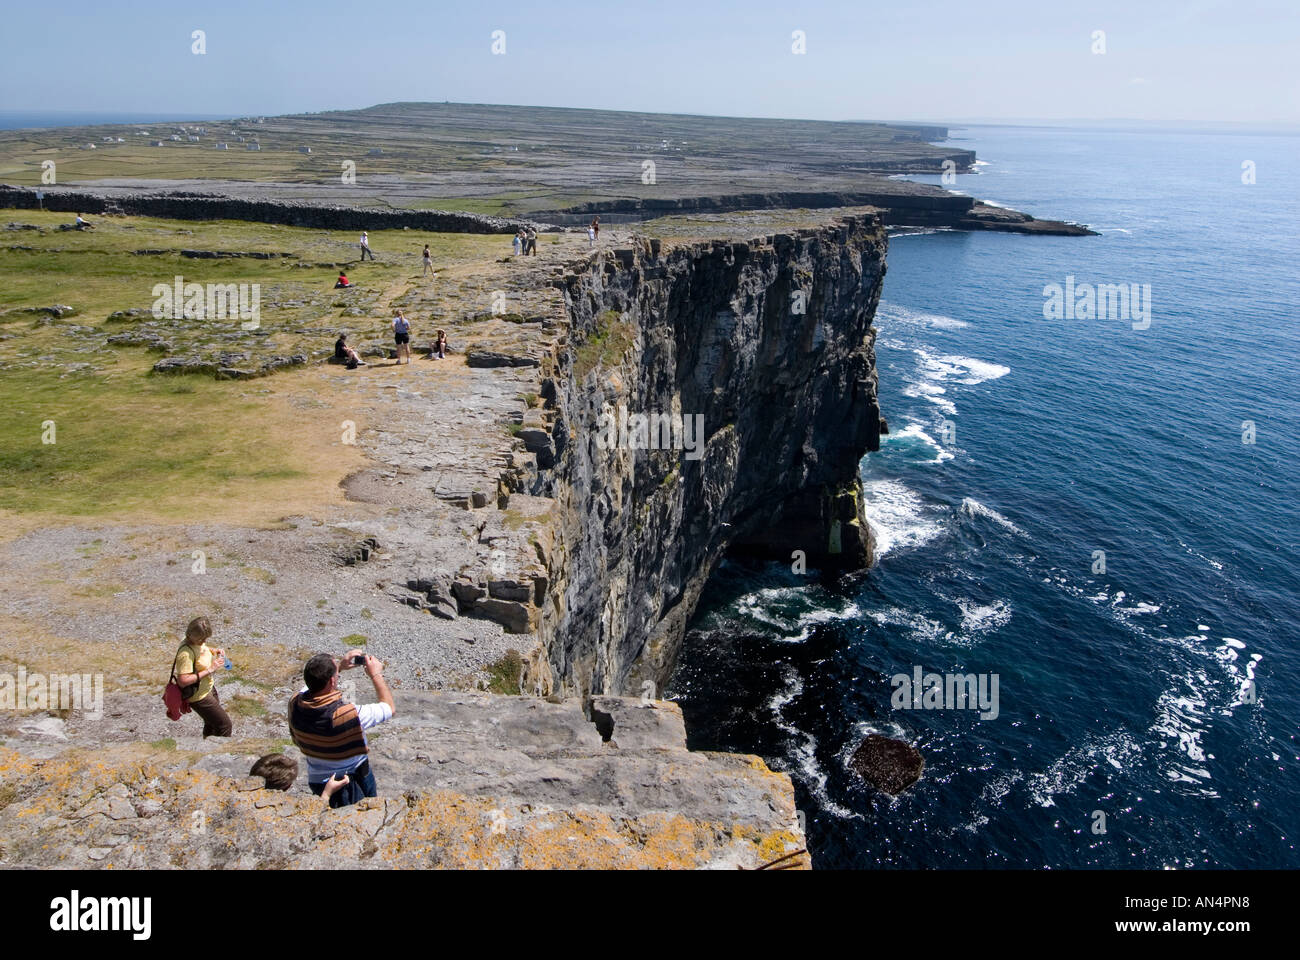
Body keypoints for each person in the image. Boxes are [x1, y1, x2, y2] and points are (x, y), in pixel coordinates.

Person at [287, 650, 394, 809]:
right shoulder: (346, 714)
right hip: (350, 780)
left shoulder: (295, 702)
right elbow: (389, 708)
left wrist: (340, 667)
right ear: (332, 681)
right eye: (336, 674)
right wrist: (376, 675)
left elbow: (312, 685)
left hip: (318, 780)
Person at [171, 616, 232, 739]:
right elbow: (183, 681)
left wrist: (214, 651)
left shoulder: (195, 641)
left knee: (211, 722)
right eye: (201, 638)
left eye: (205, 638)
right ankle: (221, 752)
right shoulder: (185, 654)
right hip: (198, 696)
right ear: (192, 635)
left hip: (207, 688)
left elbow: (201, 649)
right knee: (225, 725)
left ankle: (206, 747)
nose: (204, 641)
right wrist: (210, 669)